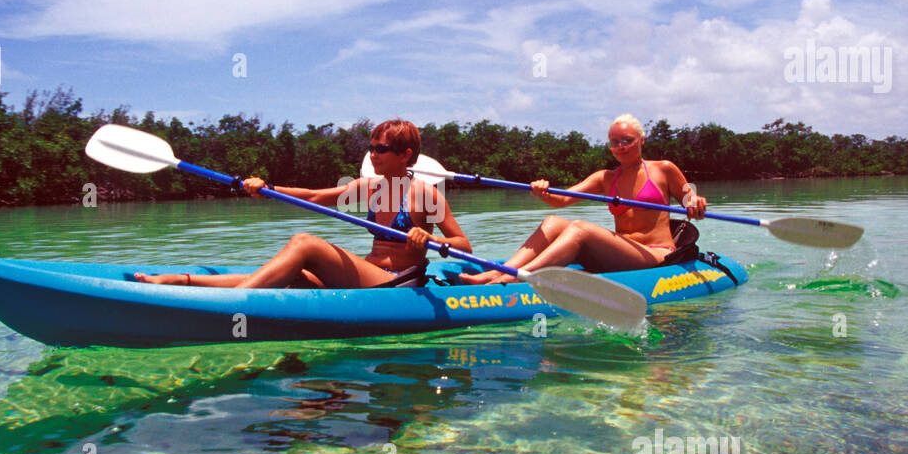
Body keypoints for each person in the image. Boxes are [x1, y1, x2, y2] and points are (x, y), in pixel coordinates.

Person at [135, 119, 471, 288]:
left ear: (405, 155)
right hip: (369, 273)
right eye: (371, 147)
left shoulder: (425, 194)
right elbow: (312, 196)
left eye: (380, 149)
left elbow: (463, 246)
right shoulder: (369, 187)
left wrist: (433, 240)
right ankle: (181, 282)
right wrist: (268, 187)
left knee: (305, 243)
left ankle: (234, 304)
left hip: (397, 281)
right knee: (294, 272)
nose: (372, 154)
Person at [459, 114, 706, 284]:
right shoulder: (605, 178)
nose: (621, 147)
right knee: (553, 221)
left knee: (579, 228)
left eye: (627, 141)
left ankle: (515, 276)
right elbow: (561, 200)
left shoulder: (663, 169)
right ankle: (496, 271)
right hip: (620, 252)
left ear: (641, 140)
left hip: (655, 254)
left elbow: (689, 197)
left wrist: (695, 202)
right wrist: (542, 190)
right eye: (614, 143)